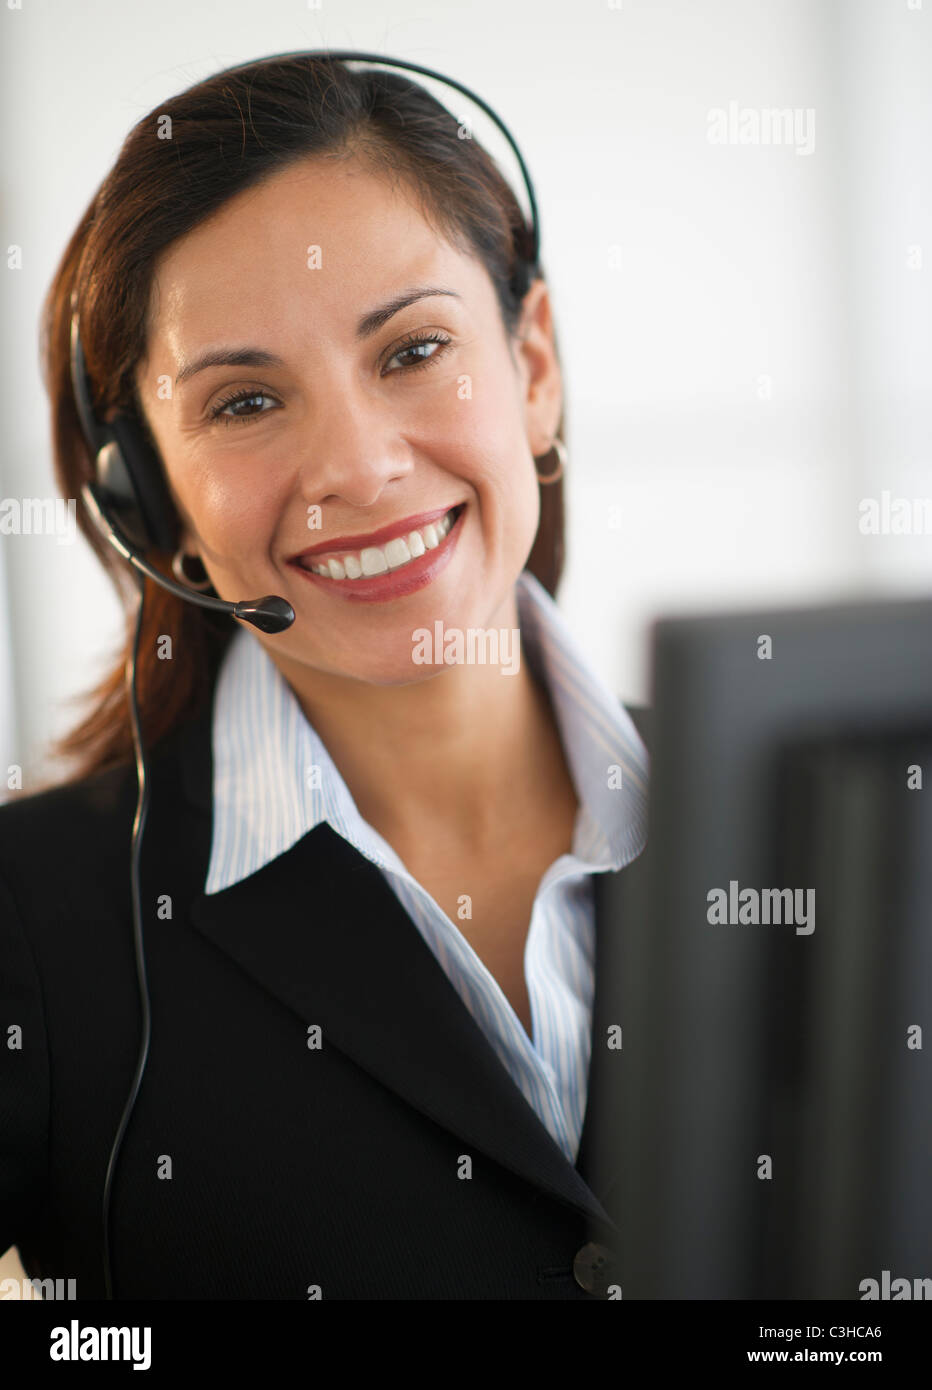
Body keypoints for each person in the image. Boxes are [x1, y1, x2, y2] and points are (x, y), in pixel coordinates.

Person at [0, 53, 648, 1299]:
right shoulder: (31, 922)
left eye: (410, 351)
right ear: (151, 504)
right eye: (244, 401)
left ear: (532, 365)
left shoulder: (843, 830)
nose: (356, 466)